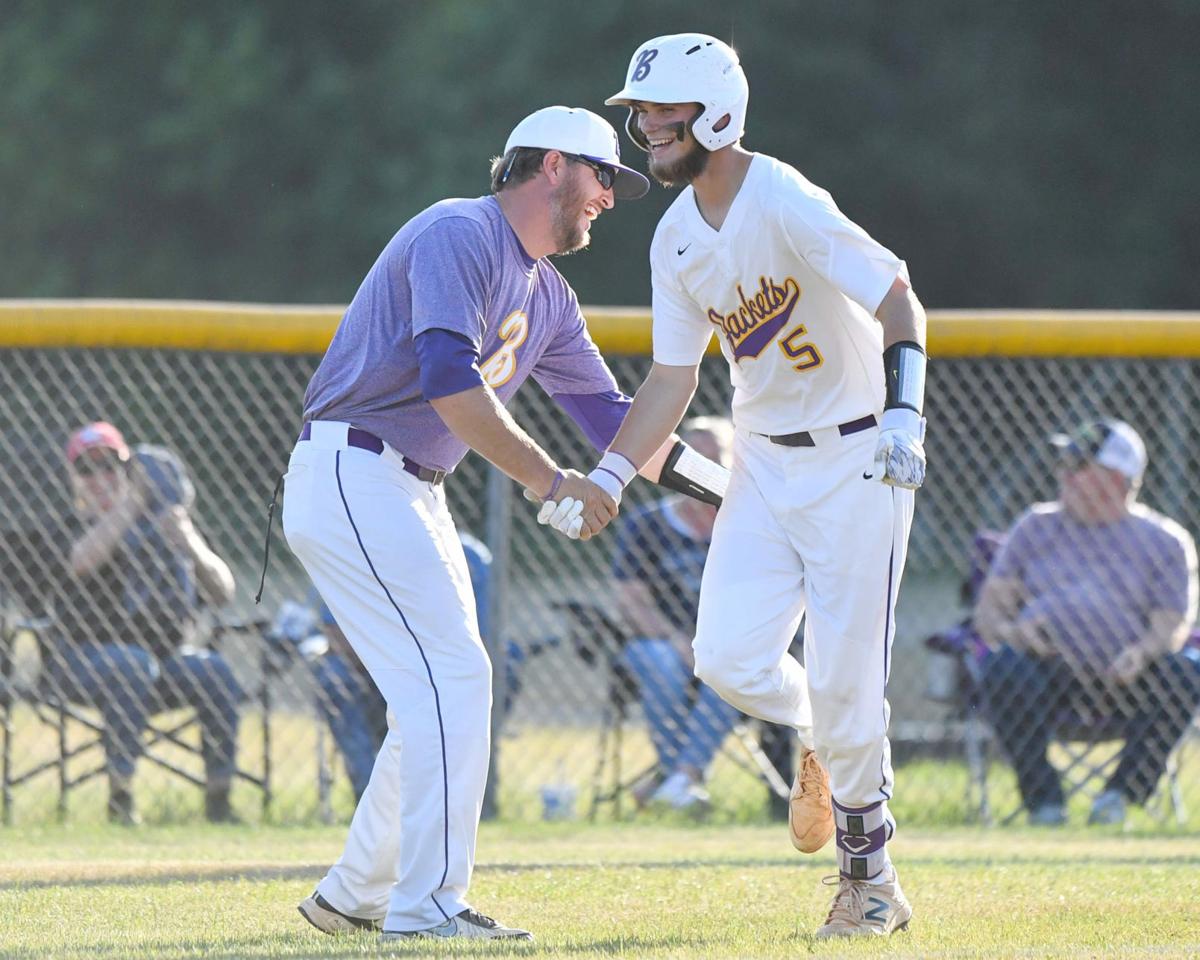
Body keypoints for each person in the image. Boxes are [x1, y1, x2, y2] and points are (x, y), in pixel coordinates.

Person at [283, 106, 729, 942]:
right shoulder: (461, 231)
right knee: (452, 679)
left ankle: (355, 894)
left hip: (407, 486)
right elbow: (451, 379)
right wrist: (550, 479)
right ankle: (427, 909)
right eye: (604, 177)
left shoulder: (549, 293)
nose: (610, 196)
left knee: (443, 688)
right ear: (553, 165)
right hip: (355, 468)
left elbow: (612, 420)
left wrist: (730, 495)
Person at [537, 34, 929, 937]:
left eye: (663, 111)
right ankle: (825, 737)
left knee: (848, 682)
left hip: (857, 456)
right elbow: (672, 383)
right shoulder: (675, 236)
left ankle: (871, 884)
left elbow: (899, 296)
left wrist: (907, 414)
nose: (645, 127)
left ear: (717, 112)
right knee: (726, 656)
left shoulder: (781, 194)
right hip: (761, 458)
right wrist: (606, 475)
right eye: (640, 112)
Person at [975, 419, 1200, 827]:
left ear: (1116, 479)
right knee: (1003, 665)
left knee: (1186, 672)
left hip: (1129, 679)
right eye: (1064, 462)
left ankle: (1118, 799)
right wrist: (1015, 633)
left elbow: (1172, 626)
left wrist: (1143, 652)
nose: (1063, 473)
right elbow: (989, 613)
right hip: (1047, 673)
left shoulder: (1166, 541)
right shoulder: (1035, 526)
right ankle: (1045, 803)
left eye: (1077, 465)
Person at [56, 421, 243, 824]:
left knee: (214, 671)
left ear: (129, 470)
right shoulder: (65, 524)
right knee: (130, 663)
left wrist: (188, 539)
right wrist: (130, 505)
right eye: (87, 469)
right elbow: (80, 563)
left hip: (164, 662)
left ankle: (219, 800)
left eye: (110, 465)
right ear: (73, 478)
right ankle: (121, 797)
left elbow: (223, 592)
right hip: (82, 666)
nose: (100, 478)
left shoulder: (166, 523)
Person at [612, 417, 740, 812]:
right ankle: (681, 780)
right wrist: (675, 638)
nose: (703, 466)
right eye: (694, 457)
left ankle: (675, 779)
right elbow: (630, 600)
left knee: (736, 668)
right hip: (660, 641)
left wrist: (713, 646)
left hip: (726, 643)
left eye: (714, 458)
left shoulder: (746, 522)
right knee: (661, 663)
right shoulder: (647, 525)